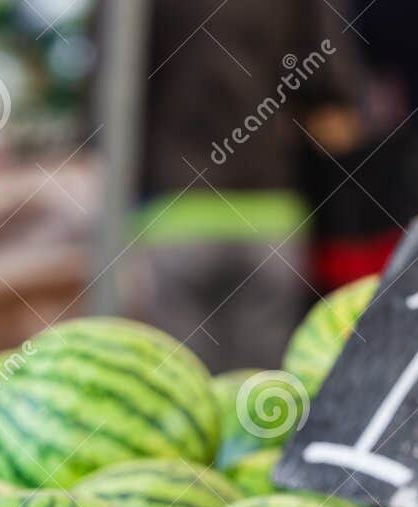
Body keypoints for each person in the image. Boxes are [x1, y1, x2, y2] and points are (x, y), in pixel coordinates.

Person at [134, 0, 363, 372]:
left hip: (174, 211)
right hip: (269, 210)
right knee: (262, 400)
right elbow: (334, 111)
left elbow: (108, 98)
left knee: (181, 391)